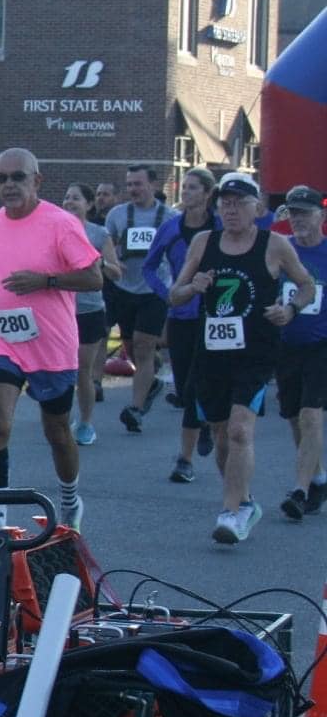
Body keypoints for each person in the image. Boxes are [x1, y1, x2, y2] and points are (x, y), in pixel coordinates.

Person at [169, 174, 315, 544]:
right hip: (213, 355)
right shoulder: (205, 242)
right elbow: (175, 295)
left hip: (256, 354)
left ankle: (231, 512)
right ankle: (245, 502)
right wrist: (193, 287)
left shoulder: (274, 244)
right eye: (225, 203)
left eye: (238, 203)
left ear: (257, 208)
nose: (230, 210)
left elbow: (306, 284)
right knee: (221, 437)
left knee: (239, 430)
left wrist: (291, 309)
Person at [0, 149, 103, 532]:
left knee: (57, 432)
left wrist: (45, 282)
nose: (9, 185)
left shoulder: (60, 224)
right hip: (5, 340)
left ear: (37, 181)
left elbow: (94, 278)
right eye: (1, 179)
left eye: (18, 177)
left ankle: (69, 500)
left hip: (52, 344)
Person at [142, 168, 219, 483]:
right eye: (183, 187)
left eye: (193, 187)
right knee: (187, 388)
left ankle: (184, 460)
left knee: (200, 384)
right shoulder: (171, 227)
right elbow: (149, 266)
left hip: (216, 317)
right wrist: (166, 295)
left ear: (207, 193)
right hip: (182, 315)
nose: (185, 192)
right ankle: (203, 421)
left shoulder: (220, 227)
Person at [107, 165, 176, 433]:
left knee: (144, 345)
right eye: (129, 184)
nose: (133, 189)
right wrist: (112, 261)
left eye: (138, 184)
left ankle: (136, 409)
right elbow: (108, 243)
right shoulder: (117, 214)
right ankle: (153, 381)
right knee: (131, 347)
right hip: (125, 289)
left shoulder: (170, 217)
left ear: (153, 185)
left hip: (154, 291)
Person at [274, 185, 327, 520]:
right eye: (293, 213)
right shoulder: (282, 251)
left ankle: (299, 489)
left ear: (320, 215)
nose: (298, 220)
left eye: (305, 213)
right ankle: (318, 477)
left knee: (311, 415)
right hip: (286, 345)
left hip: (321, 345)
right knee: (294, 415)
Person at [61, 182, 120, 445]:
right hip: (58, 310)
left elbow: (116, 272)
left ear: (88, 205)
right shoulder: (54, 230)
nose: (70, 202)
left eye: (76, 198)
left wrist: (100, 260)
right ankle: (58, 417)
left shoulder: (98, 233)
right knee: (57, 368)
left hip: (89, 309)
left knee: (82, 369)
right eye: (66, 198)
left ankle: (85, 422)